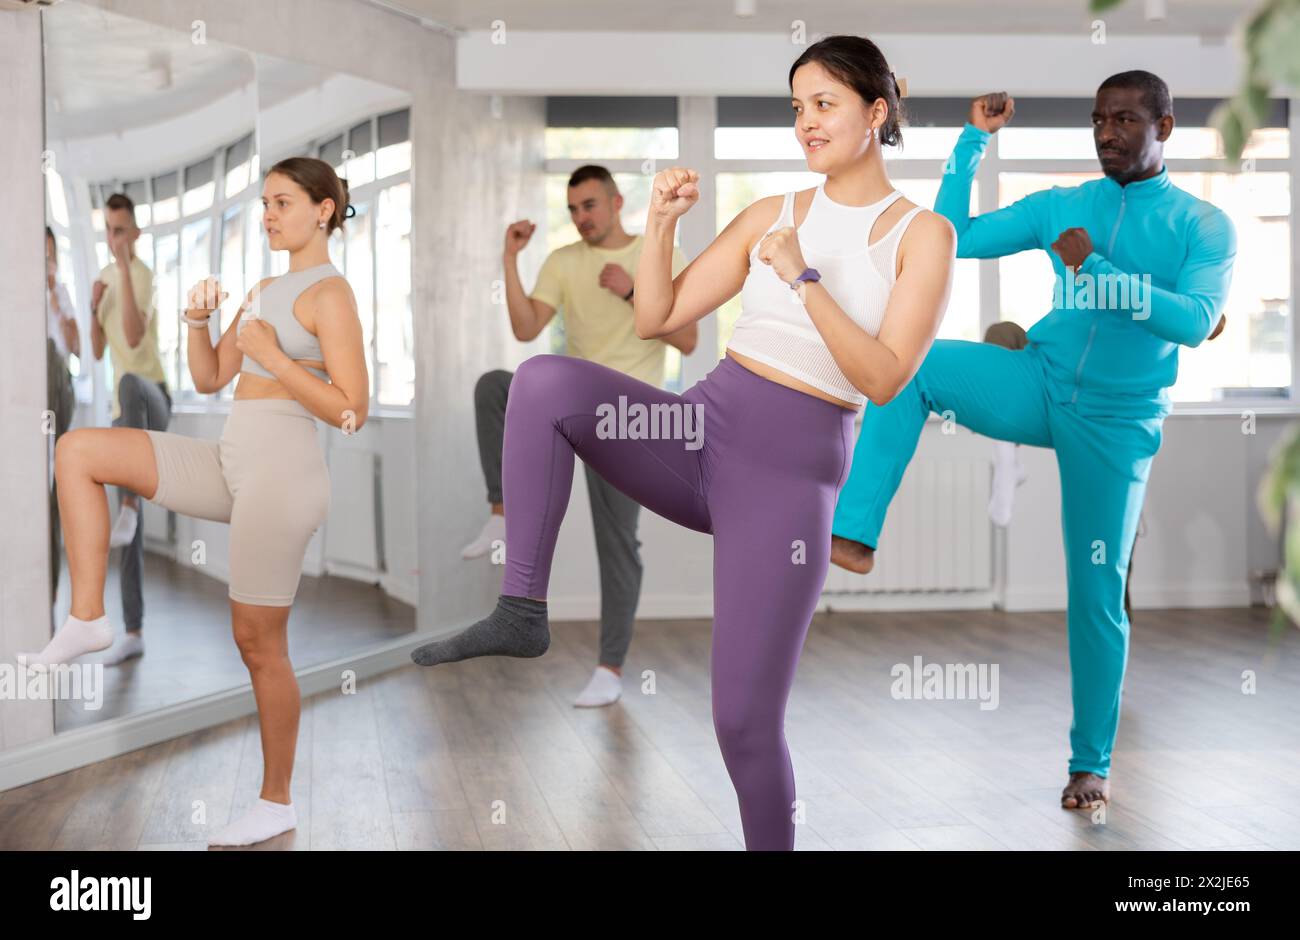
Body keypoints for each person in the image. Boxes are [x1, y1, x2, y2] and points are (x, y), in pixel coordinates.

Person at [413, 35, 956, 850]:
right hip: (700, 428)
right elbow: (655, 319)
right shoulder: (770, 213)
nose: (806, 123)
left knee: (742, 721)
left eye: (825, 105)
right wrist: (661, 226)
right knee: (542, 383)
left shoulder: (921, 235)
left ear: (876, 113)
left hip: (788, 477)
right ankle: (522, 607)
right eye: (797, 108)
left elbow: (883, 379)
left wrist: (805, 281)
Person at [829, 73, 1237, 811]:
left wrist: (1094, 269)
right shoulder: (1063, 206)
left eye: (1124, 120)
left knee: (1095, 594)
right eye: (1097, 120)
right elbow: (951, 238)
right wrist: (972, 141)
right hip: (1040, 380)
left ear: (1165, 128)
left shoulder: (1203, 225)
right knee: (911, 364)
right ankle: (854, 530)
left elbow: (1191, 321)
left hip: (1118, 420)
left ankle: (1090, 764)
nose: (1106, 133)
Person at [21, 157, 370, 848]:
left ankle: (277, 801)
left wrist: (276, 353)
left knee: (257, 642)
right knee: (80, 452)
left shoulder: (332, 294)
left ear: (323, 210)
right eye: (264, 203)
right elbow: (211, 378)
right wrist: (194, 321)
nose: (267, 215)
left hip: (283, 474)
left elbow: (351, 408)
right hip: (229, 459)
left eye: (282, 203)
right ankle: (88, 618)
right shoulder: (266, 287)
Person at [463, 164, 695, 707]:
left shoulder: (658, 254)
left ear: (616, 203)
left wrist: (633, 289)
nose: (580, 218)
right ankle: (501, 514)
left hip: (633, 418)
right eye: (572, 209)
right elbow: (525, 329)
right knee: (497, 385)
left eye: (589, 206)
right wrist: (509, 259)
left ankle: (610, 670)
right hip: (576, 407)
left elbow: (686, 338)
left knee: (617, 544)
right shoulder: (563, 261)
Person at [86, 194, 172, 665]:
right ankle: (133, 630)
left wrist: (119, 272)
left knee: (130, 381)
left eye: (122, 231)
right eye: (110, 232)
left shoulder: (144, 276)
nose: (115, 239)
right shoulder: (102, 279)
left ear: (135, 234)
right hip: (126, 414)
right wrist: (92, 306)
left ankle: (130, 504)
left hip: (153, 397)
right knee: (129, 534)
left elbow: (136, 338)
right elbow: (97, 350)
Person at [46, 226, 80, 603]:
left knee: (53, 356)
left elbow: (75, 347)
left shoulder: (61, 294)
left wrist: (55, 294)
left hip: (57, 388)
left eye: (49, 253)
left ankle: (51, 591)